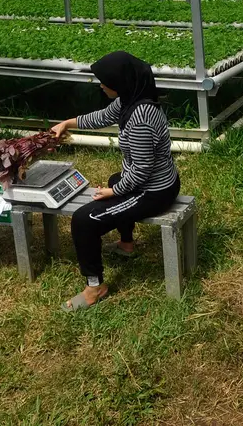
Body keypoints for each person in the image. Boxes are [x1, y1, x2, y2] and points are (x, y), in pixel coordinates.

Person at [50, 51, 180, 311]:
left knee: (84, 221)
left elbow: (142, 170)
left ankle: (94, 287)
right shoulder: (130, 101)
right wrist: (67, 123)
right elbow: (100, 117)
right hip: (156, 180)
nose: (101, 85)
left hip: (154, 191)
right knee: (114, 178)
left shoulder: (141, 117)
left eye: (104, 81)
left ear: (120, 83)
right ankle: (126, 244)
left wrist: (114, 191)